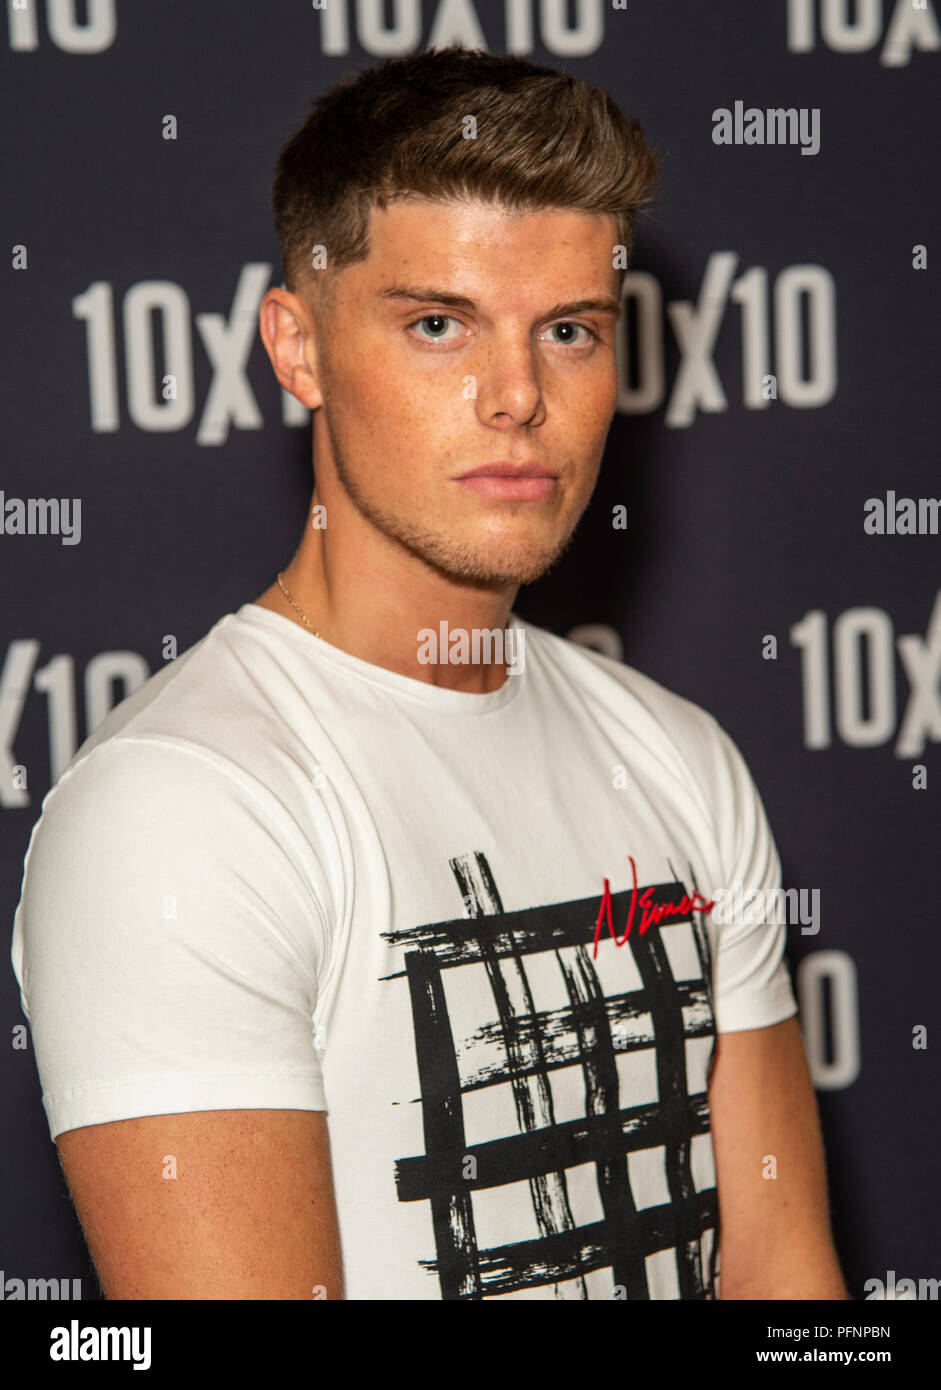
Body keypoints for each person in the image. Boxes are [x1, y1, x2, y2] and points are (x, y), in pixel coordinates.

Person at [11, 45, 848, 1301]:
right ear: (295, 348)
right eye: (438, 325)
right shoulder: (178, 813)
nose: (515, 395)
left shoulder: (677, 756)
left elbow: (784, 1279)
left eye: (567, 330)